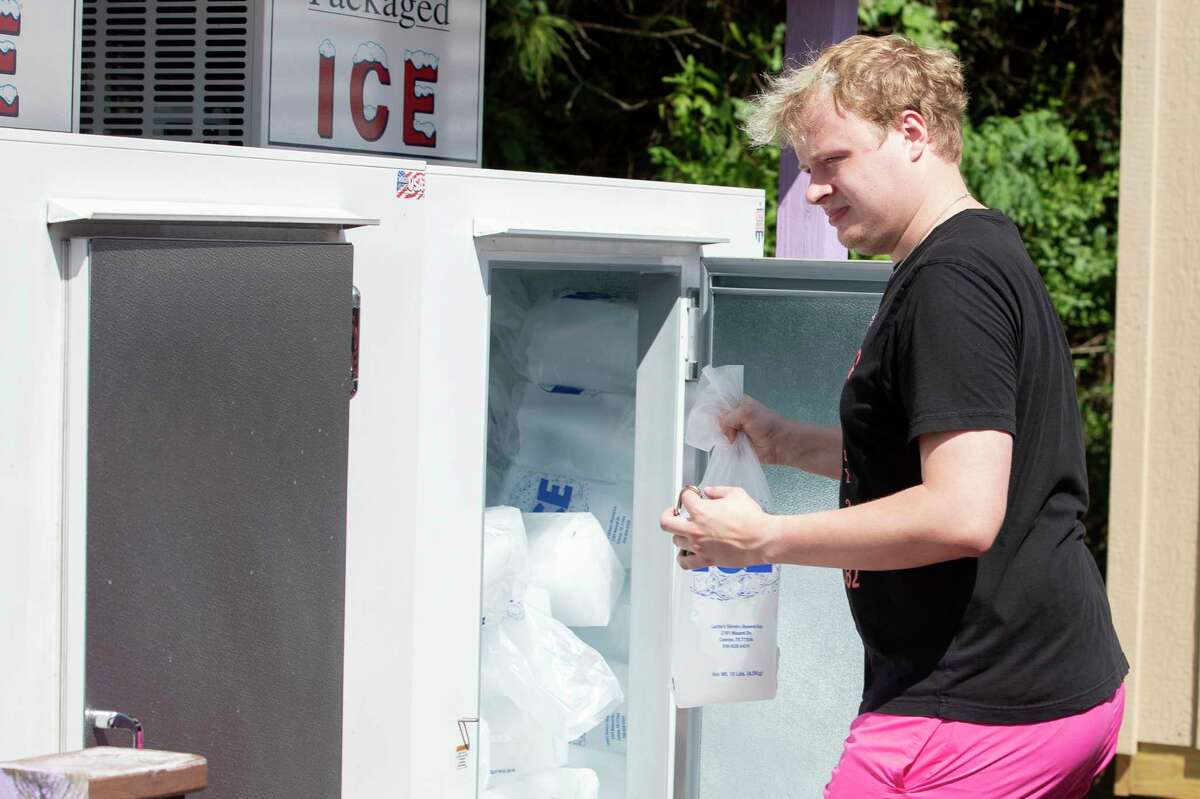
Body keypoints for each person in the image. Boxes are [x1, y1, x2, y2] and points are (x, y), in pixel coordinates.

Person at [659, 34, 1128, 798]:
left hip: (980, 706)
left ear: (912, 133)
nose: (812, 189)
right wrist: (784, 442)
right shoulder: (969, 253)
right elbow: (936, 453)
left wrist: (763, 538)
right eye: (807, 168)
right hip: (1035, 687)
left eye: (830, 161)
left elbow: (962, 510)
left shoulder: (952, 279)